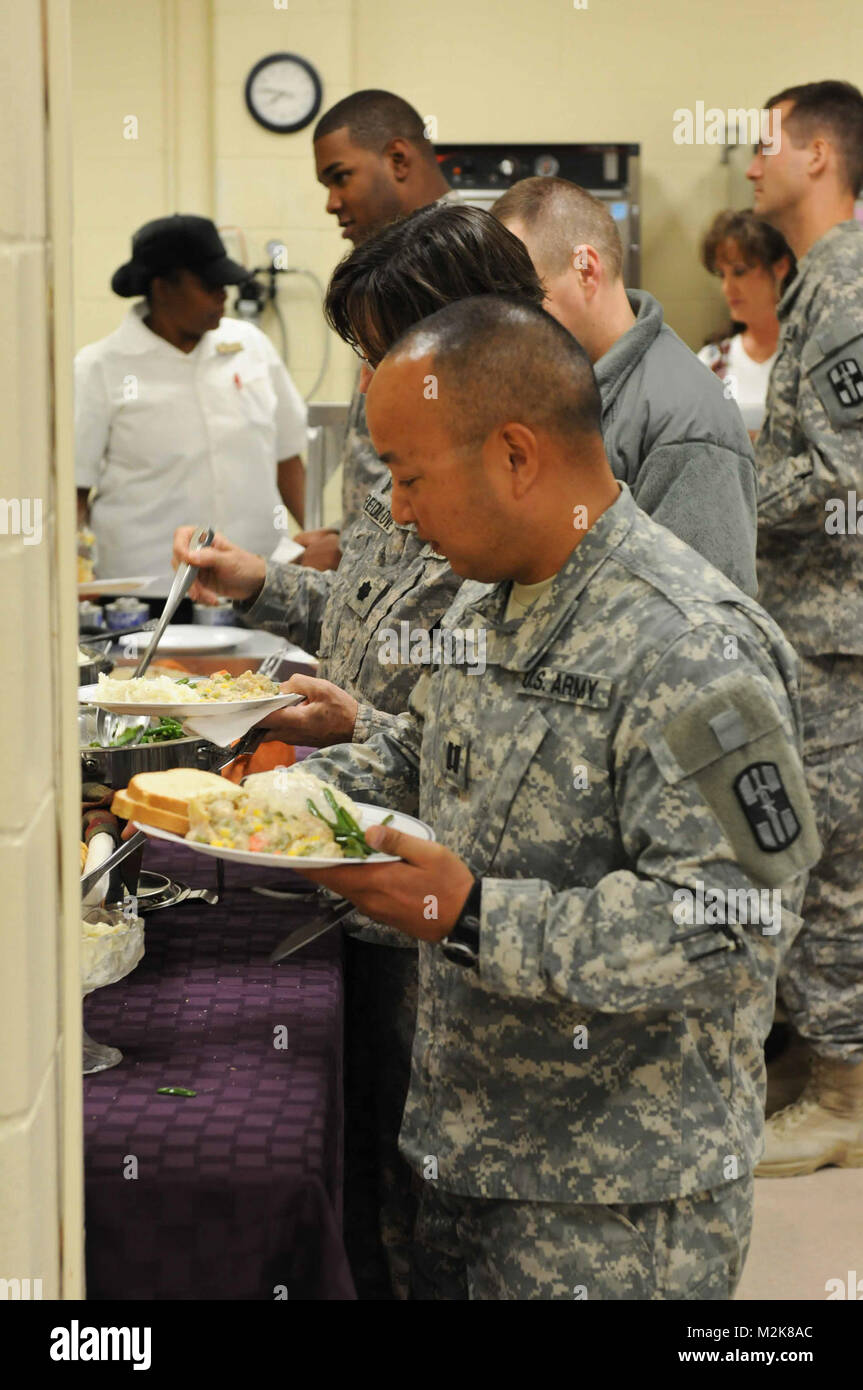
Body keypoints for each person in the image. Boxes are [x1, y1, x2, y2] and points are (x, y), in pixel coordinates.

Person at [271, 297, 820, 1299]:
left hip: (610, 1204)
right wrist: (270, 798)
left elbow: (739, 920)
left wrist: (475, 915)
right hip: (464, 1144)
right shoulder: (494, 595)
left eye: (406, 475)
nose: (394, 510)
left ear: (514, 455)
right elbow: (440, 758)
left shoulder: (694, 646)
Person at [174, 205, 546, 1299]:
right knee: (384, 1182)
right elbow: (378, 617)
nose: (371, 375)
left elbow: (506, 746)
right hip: (361, 849)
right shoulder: (407, 459)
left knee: (438, 1197)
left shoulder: (524, 489)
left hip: (443, 897)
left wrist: (360, 734)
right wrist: (270, 588)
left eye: (386, 354)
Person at [743, 79, 863, 1177]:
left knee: (827, 863)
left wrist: (731, 475)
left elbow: (840, 469)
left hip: (838, 633)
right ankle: (815, 1058)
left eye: (762, 144)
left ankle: (843, 1092)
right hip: (818, 625)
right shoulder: (822, 276)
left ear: (818, 154)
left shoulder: (845, 282)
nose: (746, 162)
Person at [493, 178, 759, 596]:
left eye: (524, 297)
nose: (509, 320)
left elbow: (702, 626)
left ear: (586, 269)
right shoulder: (546, 384)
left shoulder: (689, 422)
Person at [75, 215, 306, 581]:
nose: (223, 295)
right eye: (210, 285)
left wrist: (311, 536)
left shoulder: (251, 347)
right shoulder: (100, 368)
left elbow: (287, 458)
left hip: (261, 582)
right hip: (148, 589)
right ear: (162, 287)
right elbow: (76, 489)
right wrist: (76, 572)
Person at [296, 90, 456, 571]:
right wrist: (353, 537)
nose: (331, 204)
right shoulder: (397, 265)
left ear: (398, 158)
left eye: (340, 177)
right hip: (381, 569)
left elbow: (457, 460)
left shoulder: (455, 262)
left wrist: (352, 550)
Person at [697, 210, 795, 436]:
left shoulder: (807, 358)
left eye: (739, 272)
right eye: (722, 275)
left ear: (780, 267)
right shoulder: (712, 363)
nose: (727, 288)